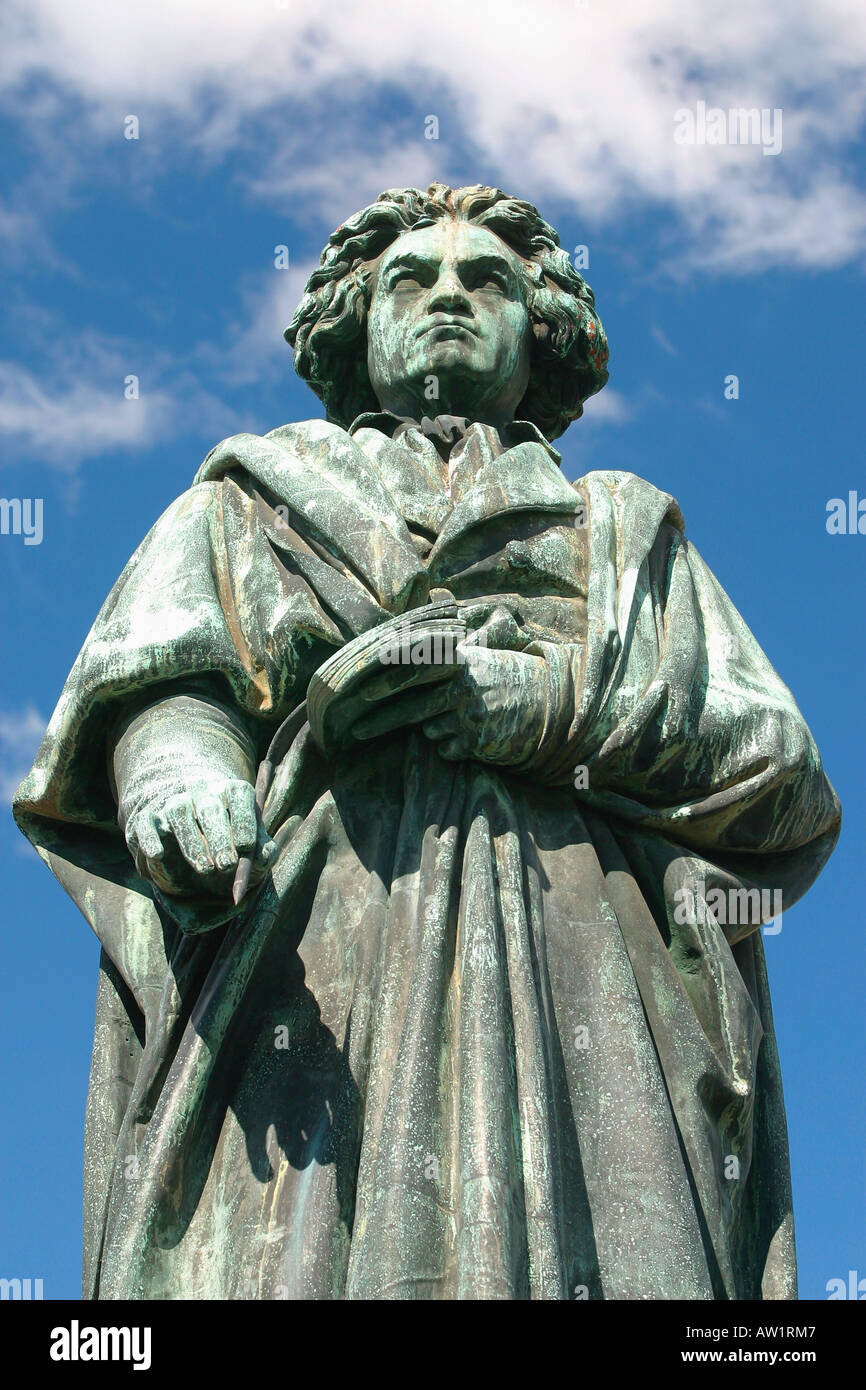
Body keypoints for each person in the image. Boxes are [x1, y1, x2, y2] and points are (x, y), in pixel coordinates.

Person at [14, 183, 840, 1300]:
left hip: (584, 995)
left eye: (484, 281)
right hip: (308, 982)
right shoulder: (251, 500)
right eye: (411, 278)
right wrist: (180, 774)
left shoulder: (623, 536)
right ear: (356, 322)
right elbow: (164, 680)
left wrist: (547, 708)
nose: (446, 296)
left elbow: (777, 780)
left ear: (537, 328)